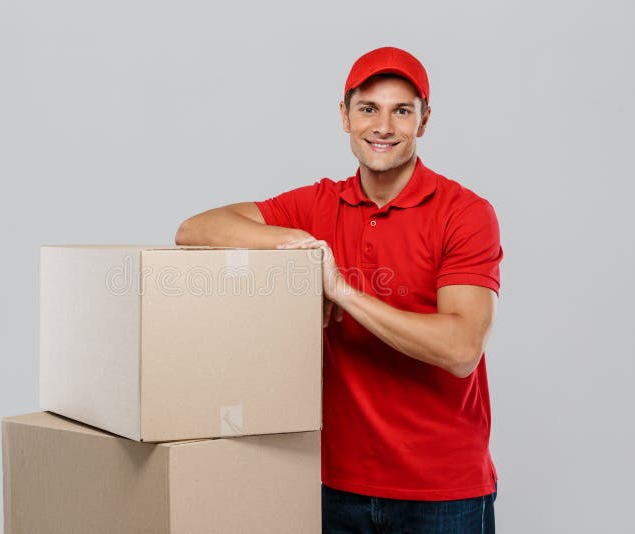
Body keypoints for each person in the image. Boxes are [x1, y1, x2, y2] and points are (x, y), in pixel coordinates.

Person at [175, 46, 503, 533]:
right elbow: (194, 229)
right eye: (368, 109)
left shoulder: (465, 213)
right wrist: (298, 244)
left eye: (402, 111)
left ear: (424, 121)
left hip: (441, 490)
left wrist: (342, 291)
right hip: (339, 484)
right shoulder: (320, 204)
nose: (384, 126)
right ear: (344, 117)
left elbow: (460, 349)